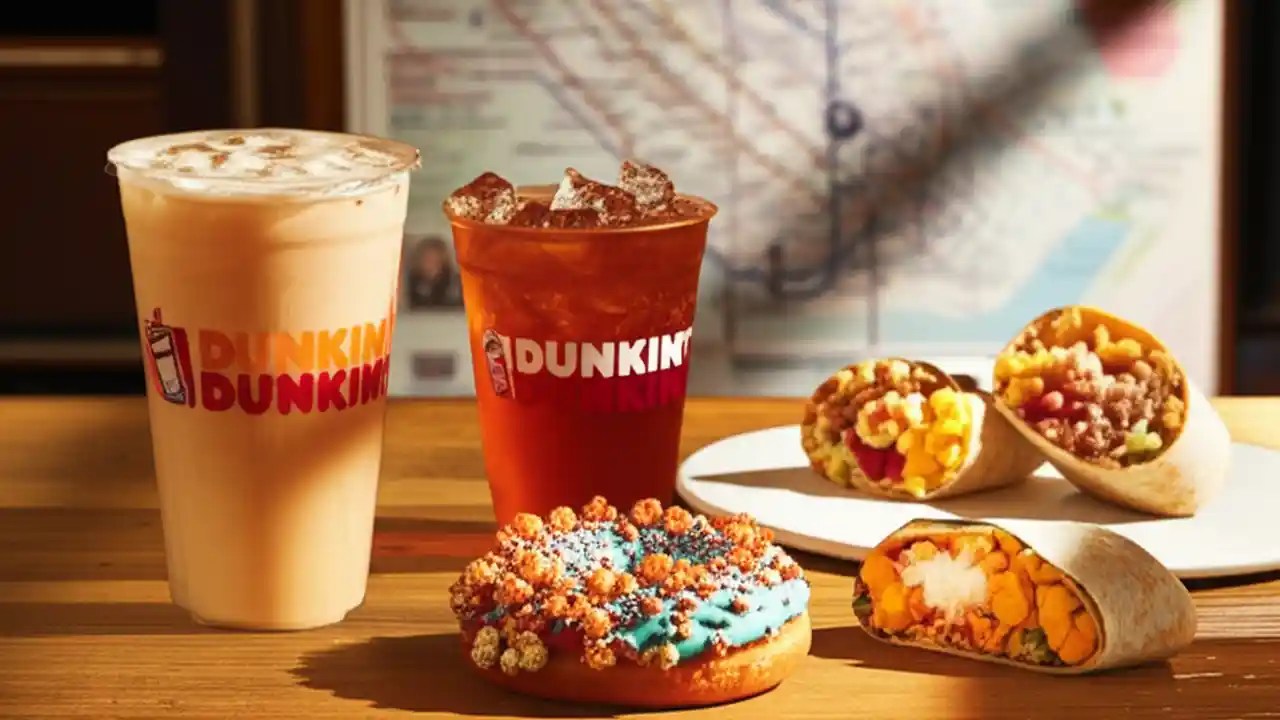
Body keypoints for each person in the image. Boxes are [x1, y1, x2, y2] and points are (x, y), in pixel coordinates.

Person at [406, 235, 462, 309]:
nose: (430, 262)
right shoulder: (412, 281)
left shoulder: (455, 281)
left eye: (434, 259)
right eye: (427, 258)